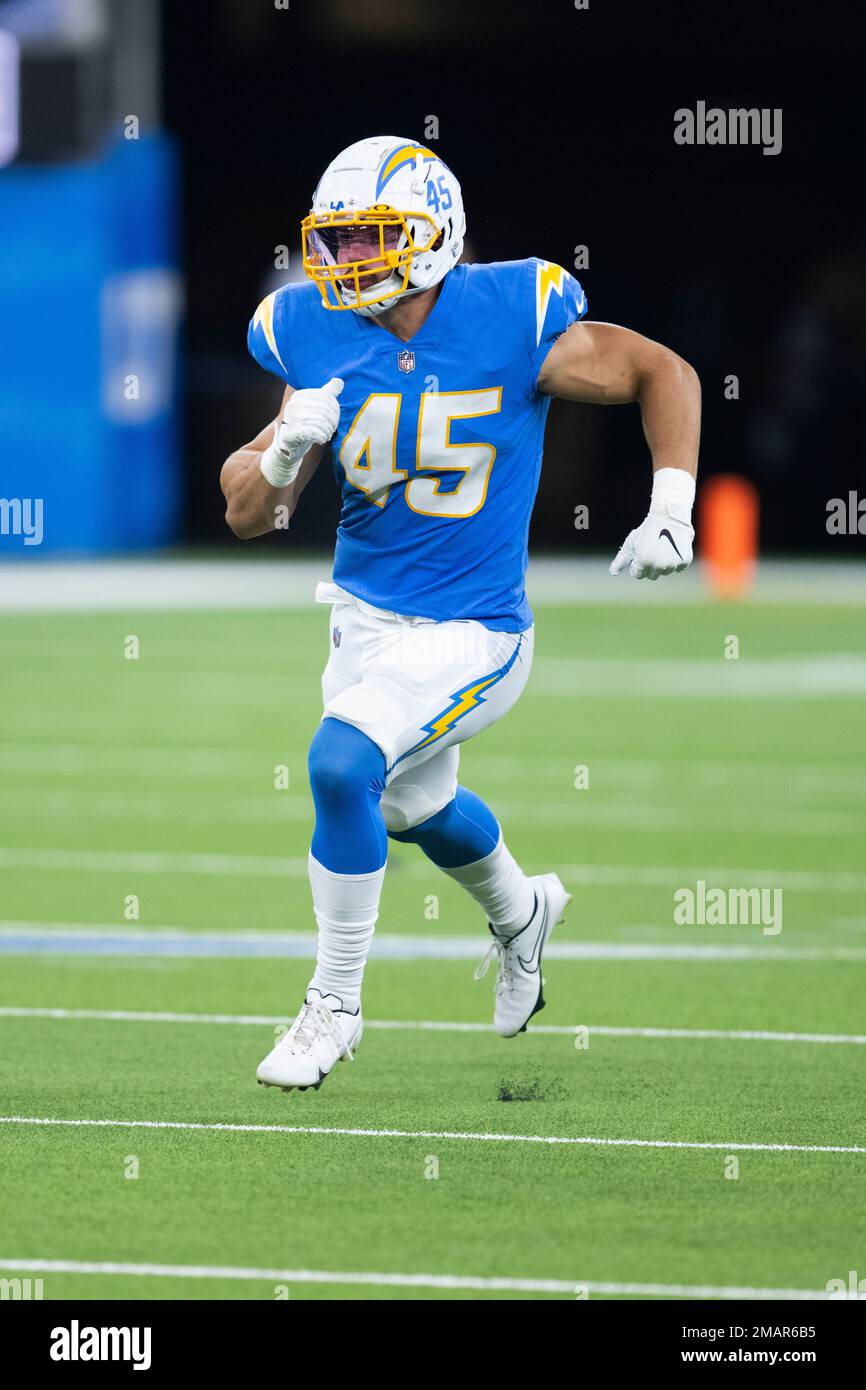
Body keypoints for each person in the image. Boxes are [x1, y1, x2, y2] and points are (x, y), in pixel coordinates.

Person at [220, 136, 701, 1092]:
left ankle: (335, 1004)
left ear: (433, 235)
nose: (347, 262)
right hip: (363, 622)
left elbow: (665, 371)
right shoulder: (310, 330)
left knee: (340, 762)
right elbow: (245, 514)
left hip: (475, 631)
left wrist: (673, 505)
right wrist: (280, 458)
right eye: (338, 241)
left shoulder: (509, 314)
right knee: (412, 804)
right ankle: (524, 914)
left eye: (372, 240)